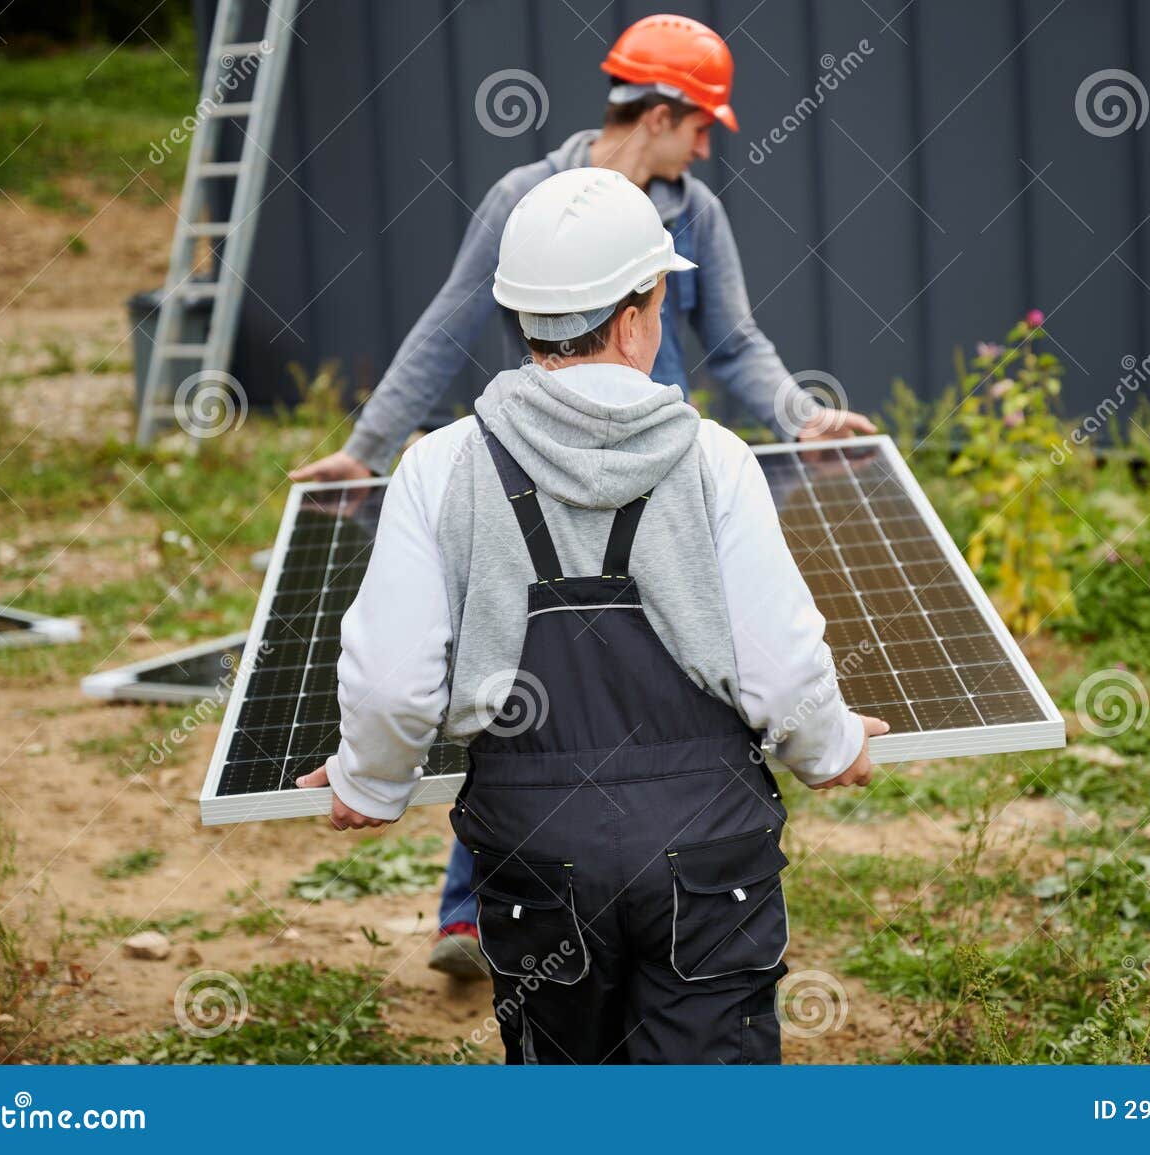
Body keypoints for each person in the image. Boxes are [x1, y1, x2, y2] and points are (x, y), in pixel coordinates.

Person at [289, 13, 875, 978]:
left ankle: (628, 890)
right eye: (702, 126)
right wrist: (367, 448)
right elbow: (446, 324)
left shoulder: (696, 212)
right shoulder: (530, 199)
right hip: (539, 465)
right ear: (659, 111)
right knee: (521, 671)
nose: (707, 145)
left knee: (640, 680)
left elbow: (736, 339)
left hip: (663, 479)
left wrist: (799, 413)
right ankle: (474, 915)